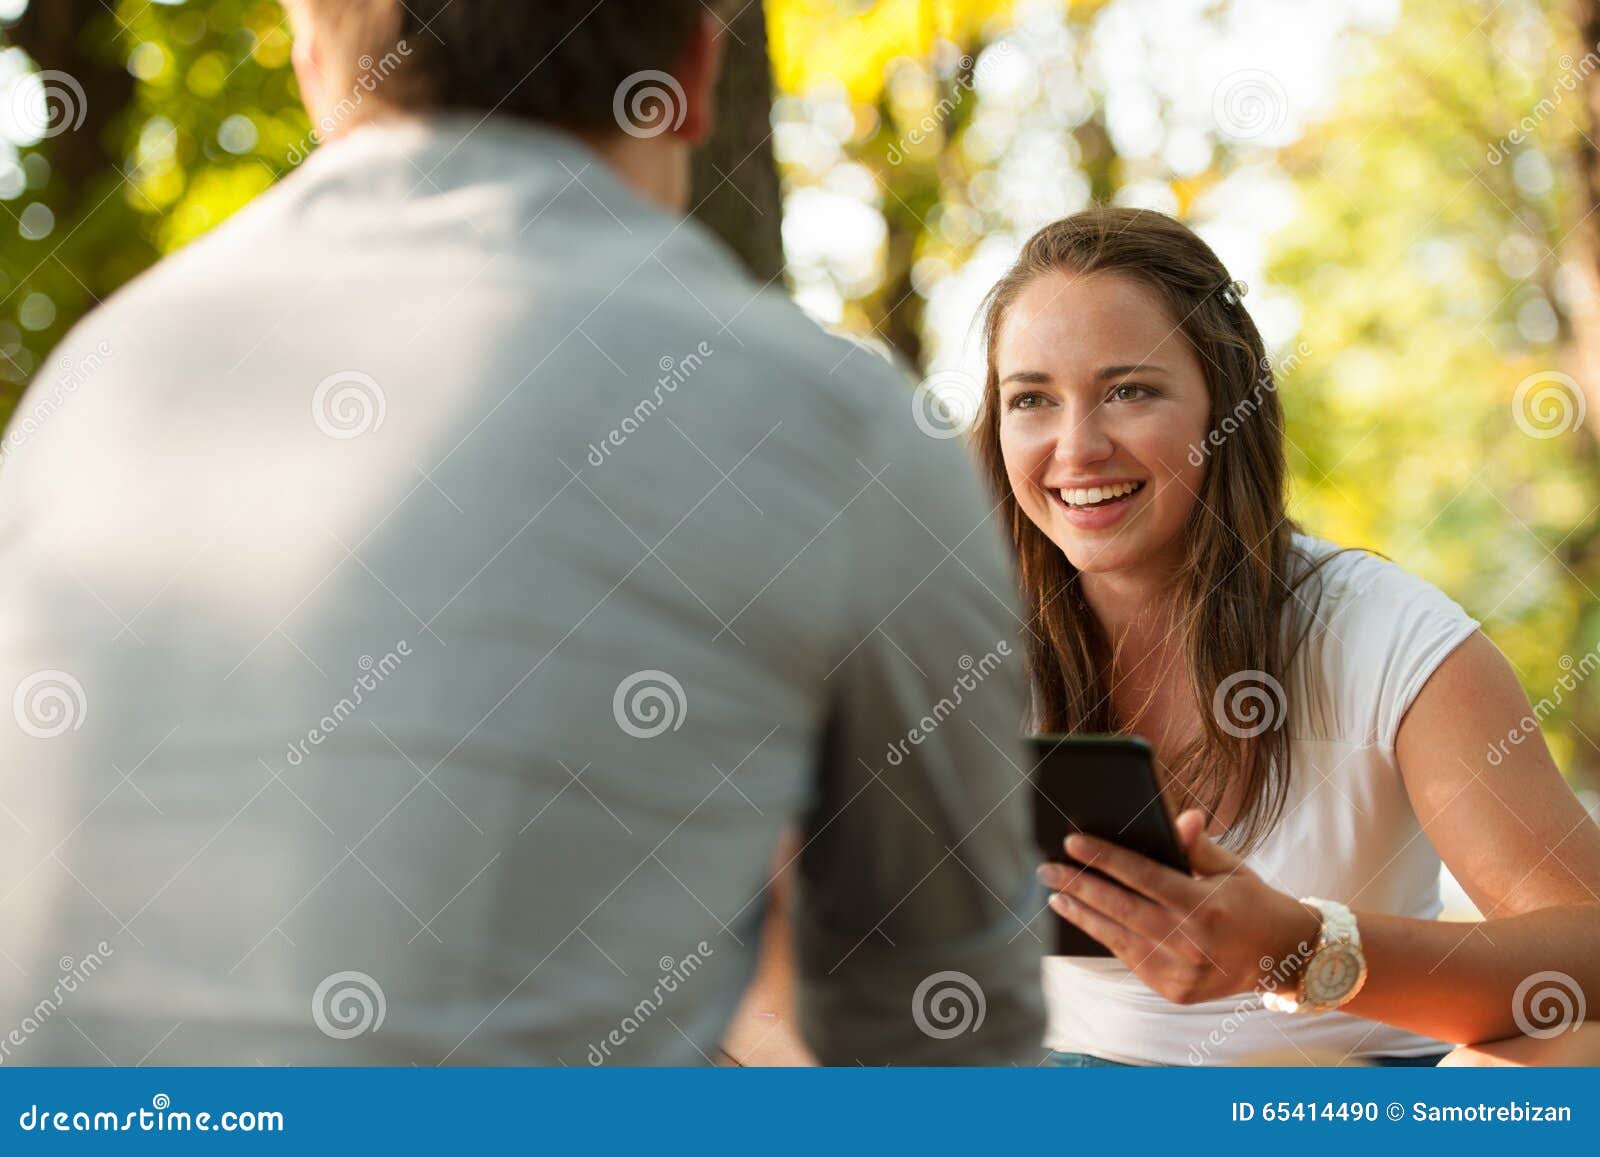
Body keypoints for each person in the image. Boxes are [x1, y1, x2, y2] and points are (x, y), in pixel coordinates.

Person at [0, 1, 1046, 1066]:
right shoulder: (838, 426)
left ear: (314, 61)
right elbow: (939, 1039)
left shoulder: (89, 386)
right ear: (691, 70)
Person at [973, 207, 1600, 1066]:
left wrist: (1303, 949)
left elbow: (1590, 944)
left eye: (1129, 390)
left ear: (1222, 408)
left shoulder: (1385, 631)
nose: (1076, 448)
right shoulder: (959, 638)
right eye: (1032, 399)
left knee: (1577, 1055)